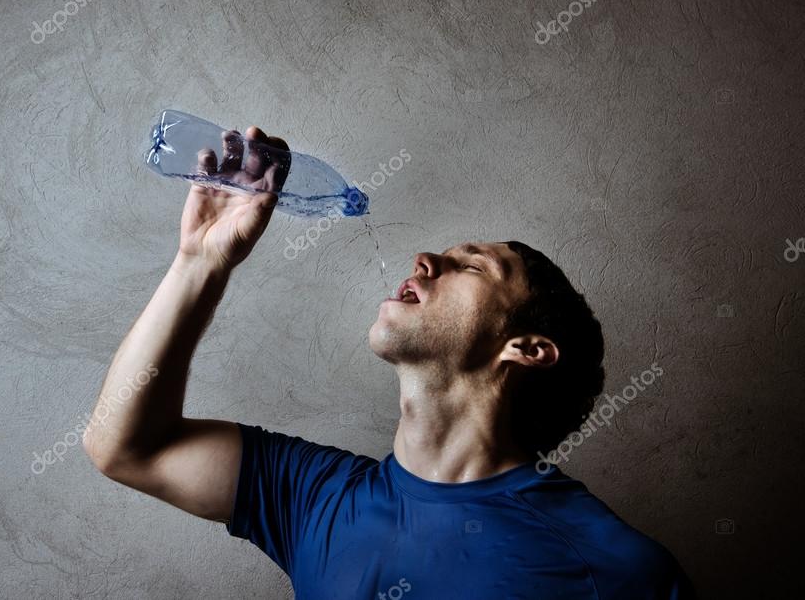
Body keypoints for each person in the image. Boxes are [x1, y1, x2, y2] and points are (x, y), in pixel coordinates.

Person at [83, 124, 695, 599]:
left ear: (527, 349)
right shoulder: (314, 495)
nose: (426, 258)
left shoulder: (615, 570)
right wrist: (200, 262)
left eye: (475, 266)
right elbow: (124, 447)